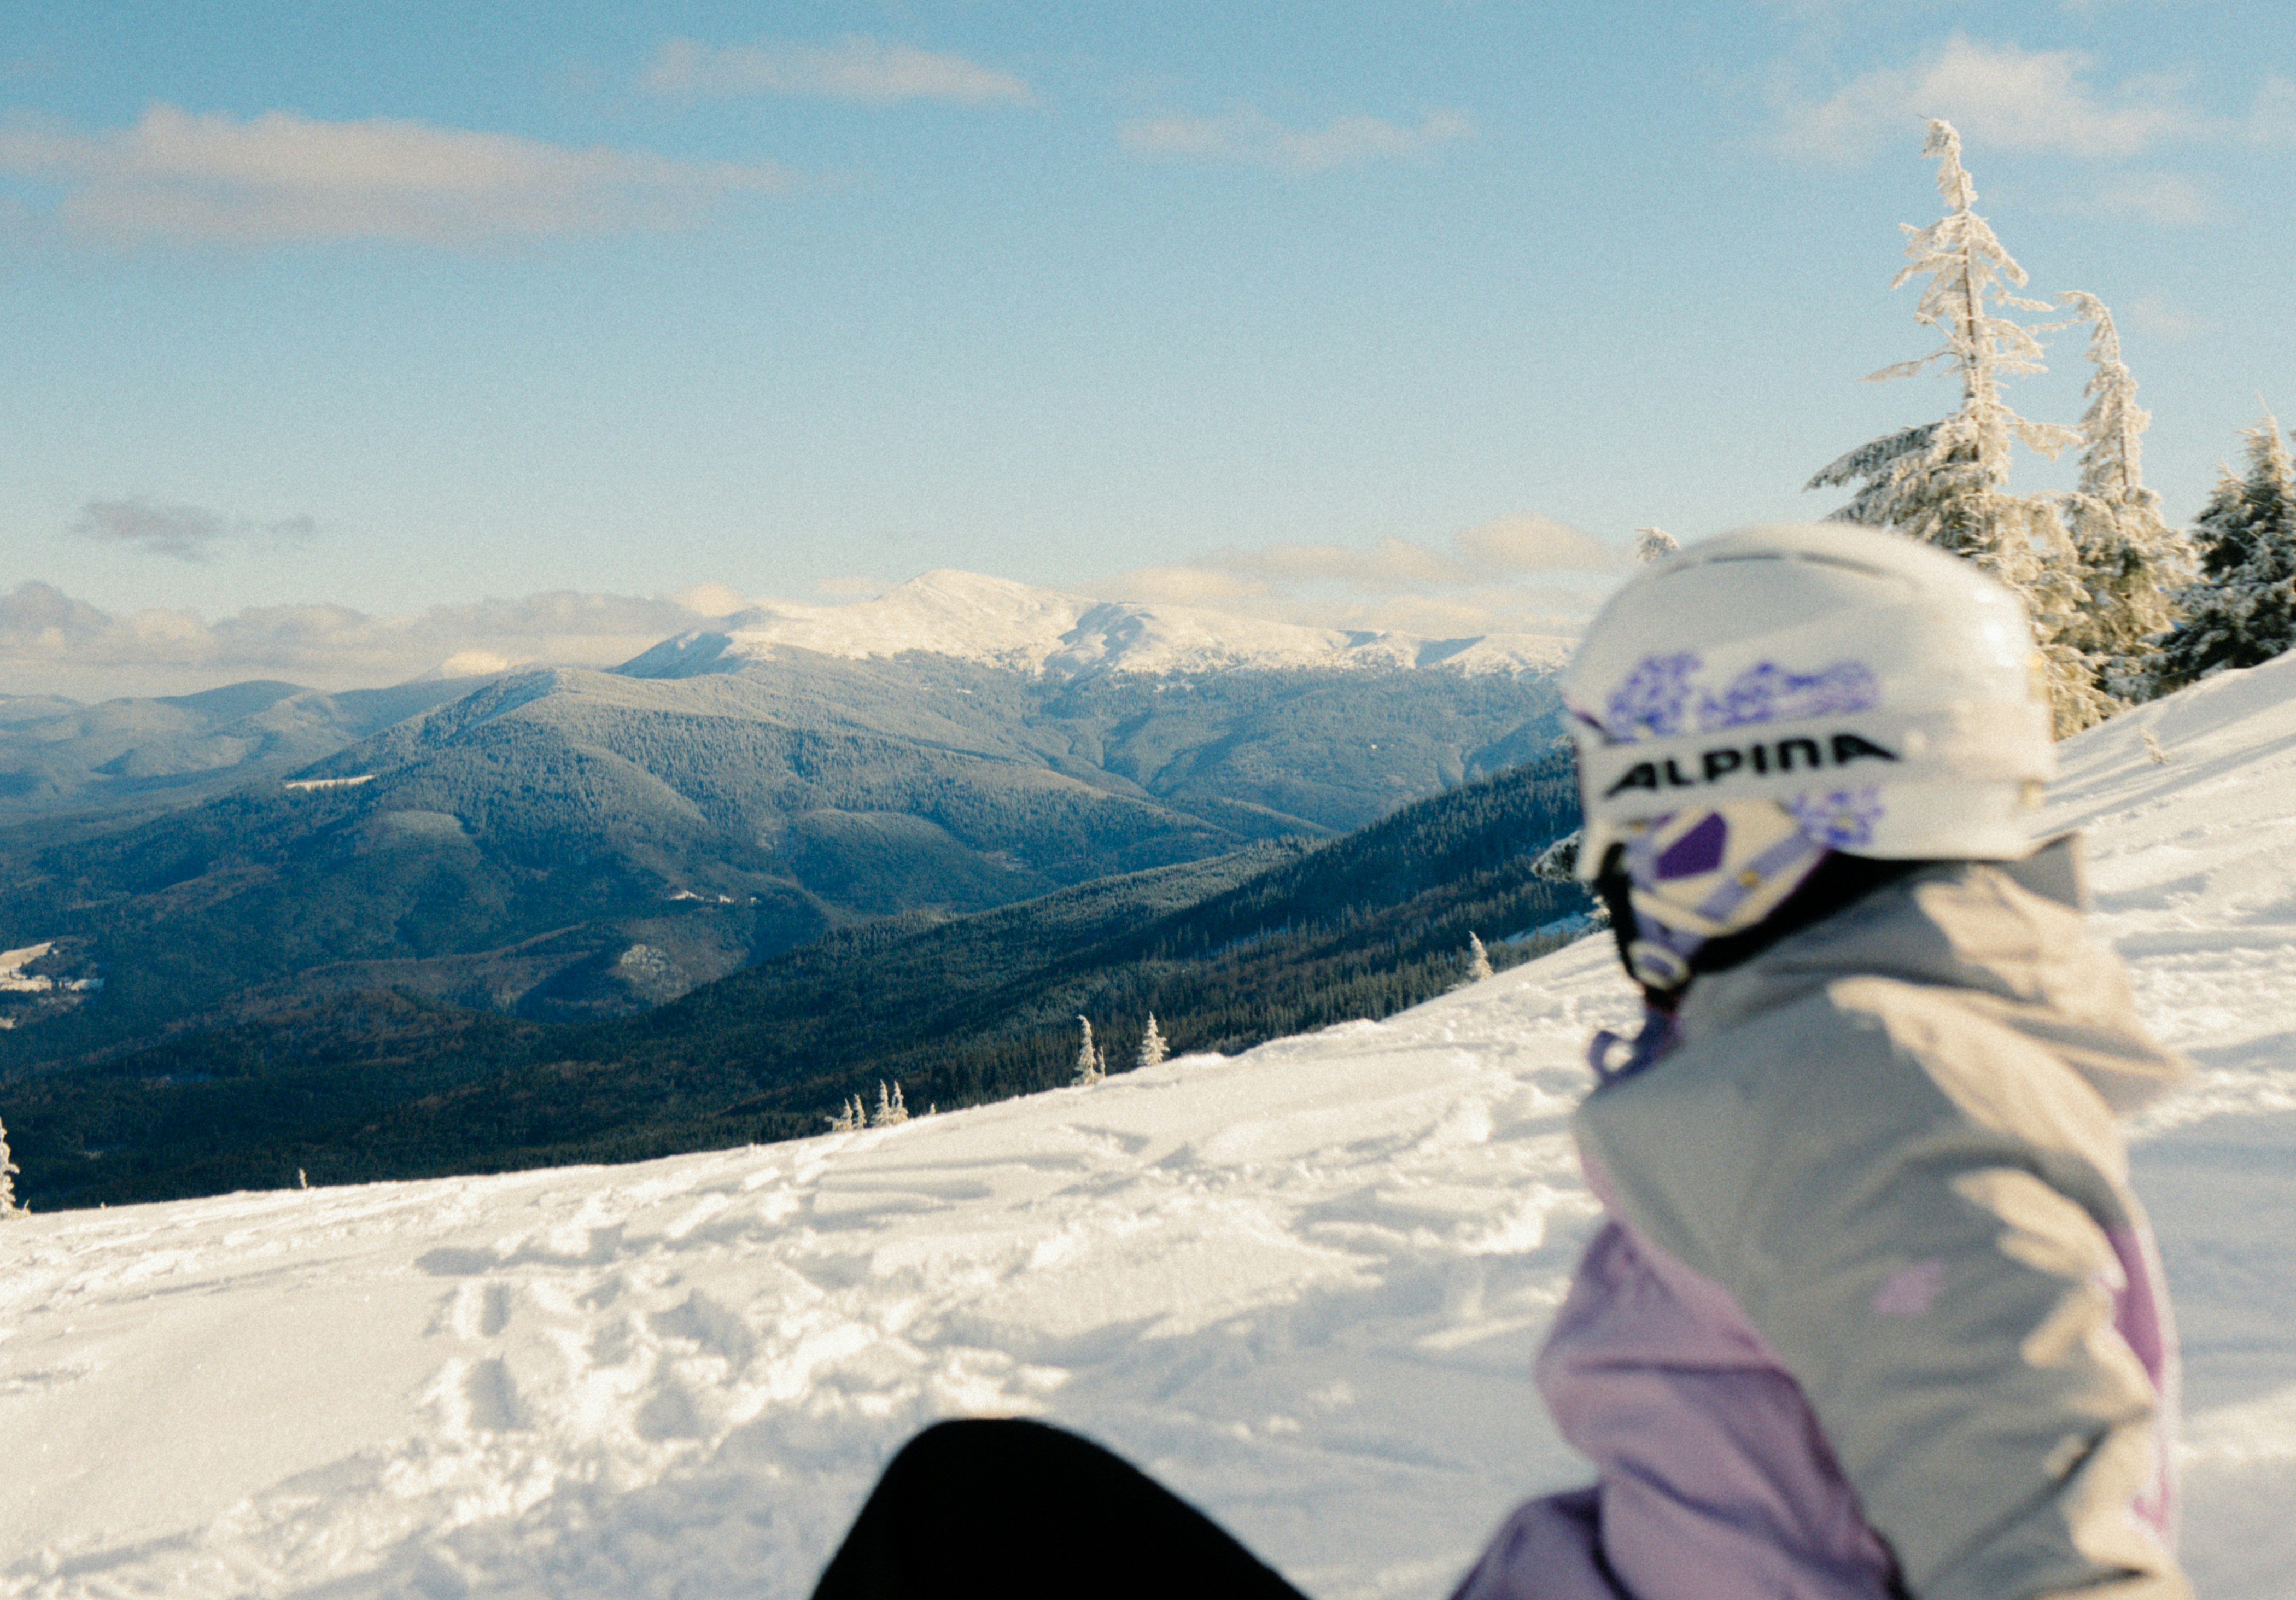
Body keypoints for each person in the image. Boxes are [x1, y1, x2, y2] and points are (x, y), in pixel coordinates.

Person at [813, 522, 2192, 1600]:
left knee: (974, 1517)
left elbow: (2049, 1552)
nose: (1608, 871)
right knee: (987, 1500)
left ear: (1751, 794)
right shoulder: (1857, 1052)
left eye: (1628, 807)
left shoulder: (1882, 1088)